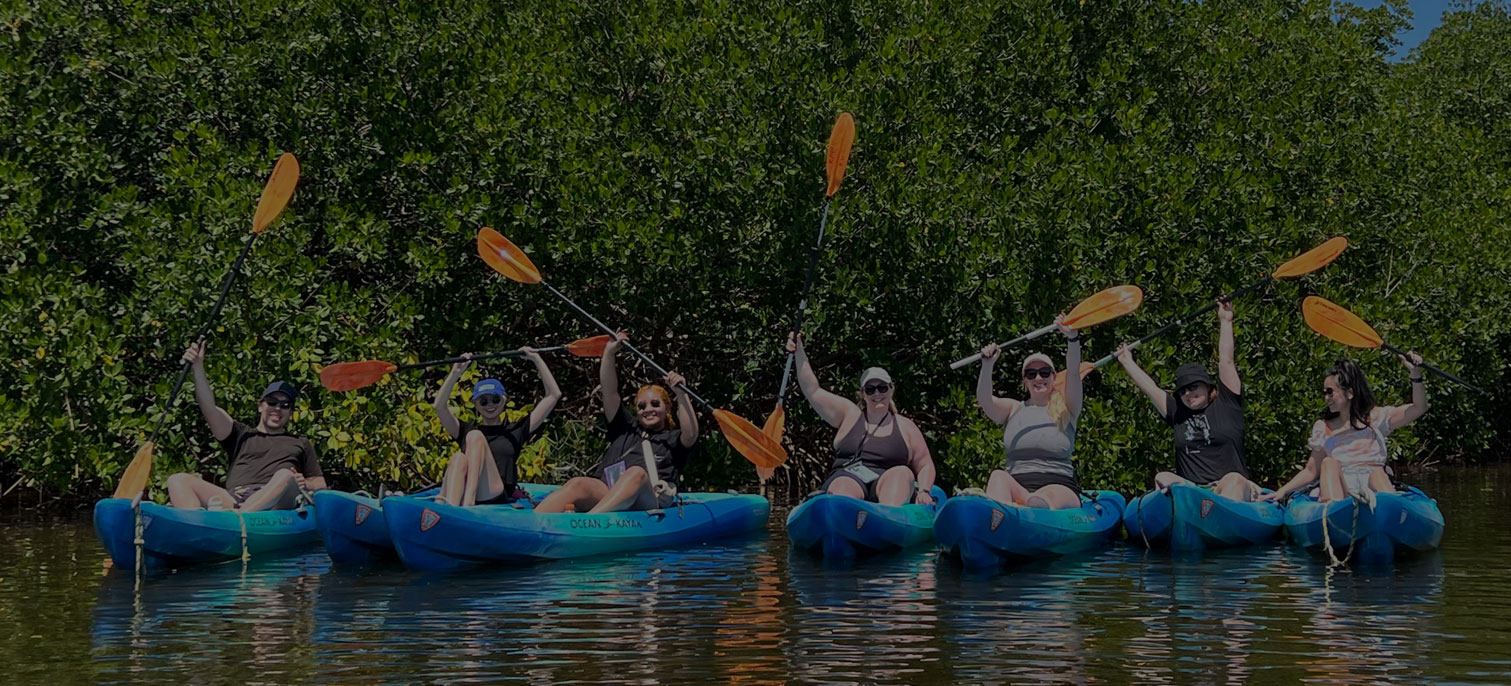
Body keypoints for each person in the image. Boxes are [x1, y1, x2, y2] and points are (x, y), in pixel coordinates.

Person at [1115, 300, 1261, 501]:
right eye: (1182, 391)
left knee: (1234, 479)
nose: (1188, 394)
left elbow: (1226, 360)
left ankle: (1220, 521)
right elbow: (1150, 388)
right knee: (1162, 477)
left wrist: (1226, 321)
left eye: (1194, 387)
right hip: (1194, 492)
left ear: (1207, 387)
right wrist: (1126, 362)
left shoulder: (1228, 403)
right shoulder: (1177, 412)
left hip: (1230, 490)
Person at [534, 333, 697, 513]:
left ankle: (591, 520)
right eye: (641, 406)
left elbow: (690, 434)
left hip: (646, 499)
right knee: (577, 483)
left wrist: (682, 394)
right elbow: (610, 392)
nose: (648, 409)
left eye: (655, 404)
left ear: (666, 408)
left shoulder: (672, 439)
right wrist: (609, 353)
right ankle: (534, 520)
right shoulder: (625, 428)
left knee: (636, 473)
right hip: (609, 492)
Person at [164, 341, 326, 510]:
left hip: (277, 502)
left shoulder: (300, 442)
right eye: (272, 402)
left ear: (291, 413)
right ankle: (198, 525)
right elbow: (209, 409)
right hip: (235, 498)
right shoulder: (241, 434)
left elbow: (320, 484)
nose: (277, 408)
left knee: (285, 475)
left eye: (285, 405)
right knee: (177, 479)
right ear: (260, 405)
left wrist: (304, 482)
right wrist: (197, 367)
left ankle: (238, 519)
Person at [787, 333, 936, 507]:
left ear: (891, 389)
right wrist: (799, 351)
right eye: (871, 390)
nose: (877, 394)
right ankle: (842, 515)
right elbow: (813, 390)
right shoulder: (849, 414)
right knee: (843, 484)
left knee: (902, 473)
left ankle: (887, 518)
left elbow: (925, 464)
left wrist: (924, 491)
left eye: (882, 388)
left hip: (888, 484)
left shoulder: (905, 426)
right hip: (850, 477)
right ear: (863, 394)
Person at [1263, 353, 1426, 503]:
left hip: (1374, 484)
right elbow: (1311, 471)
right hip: (1341, 487)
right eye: (1325, 393)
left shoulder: (1376, 418)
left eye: (1330, 392)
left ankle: (1391, 509)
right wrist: (1283, 491)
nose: (1326, 398)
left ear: (1349, 393)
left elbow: (1419, 407)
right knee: (1328, 463)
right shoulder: (1324, 428)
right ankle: (1334, 510)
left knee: (1377, 472)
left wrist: (1415, 374)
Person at [974, 315, 1083, 509]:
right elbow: (984, 400)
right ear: (1025, 381)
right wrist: (987, 365)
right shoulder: (1013, 408)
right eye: (1031, 374)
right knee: (998, 476)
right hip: (1020, 488)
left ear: (1054, 376)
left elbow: (1074, 372)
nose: (1038, 378)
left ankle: (1029, 512)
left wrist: (1072, 339)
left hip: (1059, 488)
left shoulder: (1068, 407)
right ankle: (1002, 519)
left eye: (1044, 372)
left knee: (1041, 499)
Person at [433, 348, 561, 506]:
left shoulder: (516, 430)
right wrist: (455, 373)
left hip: (496, 493)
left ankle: (468, 502)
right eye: (483, 401)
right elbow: (439, 407)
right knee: (459, 457)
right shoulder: (464, 430)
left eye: (495, 399)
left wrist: (536, 359)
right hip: (470, 490)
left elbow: (553, 395)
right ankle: (451, 510)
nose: (490, 405)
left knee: (475, 436)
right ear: (475, 405)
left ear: (504, 400)